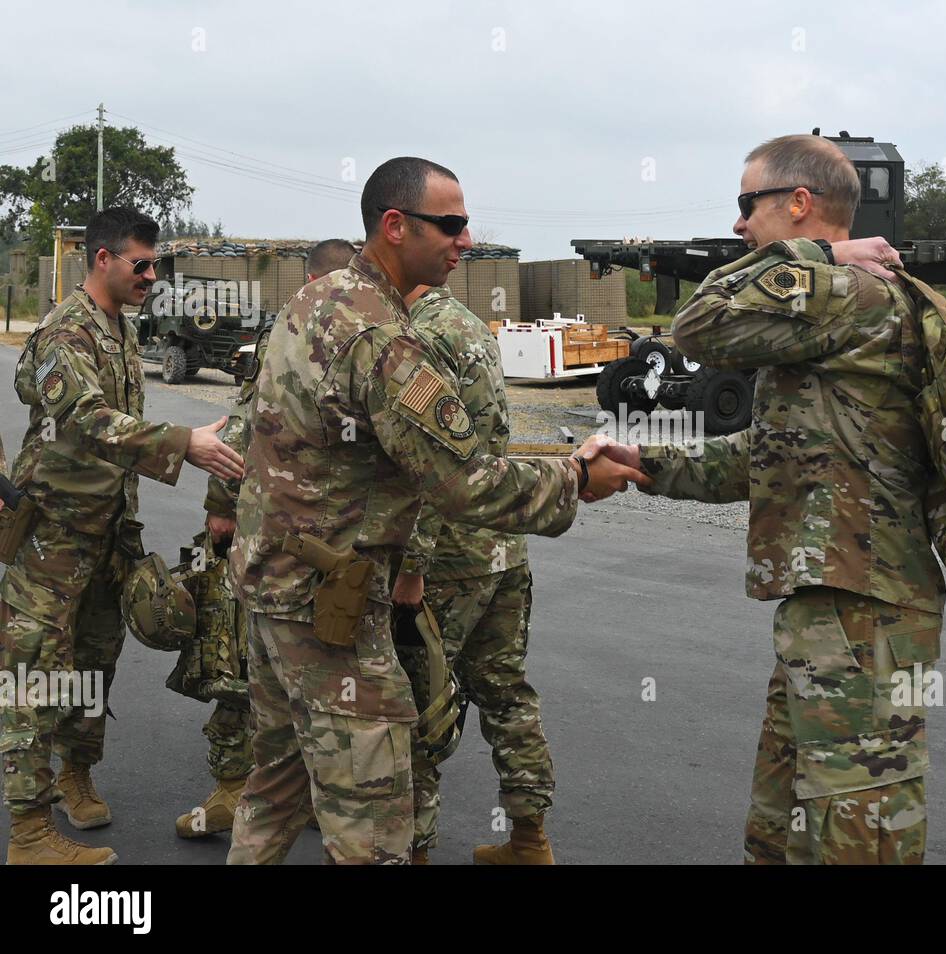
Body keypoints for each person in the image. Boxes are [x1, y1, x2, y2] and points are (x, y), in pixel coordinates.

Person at [225, 157, 646, 864]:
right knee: (375, 826)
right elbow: (463, 482)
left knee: (274, 789)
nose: (467, 239)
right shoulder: (381, 339)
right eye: (450, 225)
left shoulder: (312, 302)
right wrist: (576, 475)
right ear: (395, 226)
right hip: (329, 616)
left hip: (271, 591)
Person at [580, 134, 940, 864]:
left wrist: (812, 257)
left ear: (800, 204)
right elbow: (771, 457)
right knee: (784, 820)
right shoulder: (829, 306)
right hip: (833, 607)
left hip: (859, 607)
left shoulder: (847, 290)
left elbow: (696, 324)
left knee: (854, 825)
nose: (740, 225)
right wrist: (644, 459)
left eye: (748, 204)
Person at [1, 207, 244, 865]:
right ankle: (28, 835)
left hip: (108, 531)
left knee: (94, 663)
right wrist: (181, 443)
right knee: (33, 677)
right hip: (53, 537)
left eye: (156, 264)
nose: (152, 275)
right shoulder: (64, 332)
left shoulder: (117, 328)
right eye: (141, 264)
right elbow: (82, 418)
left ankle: (76, 776)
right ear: (102, 259)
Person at [177, 238, 356, 840]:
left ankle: (238, 790)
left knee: (238, 656)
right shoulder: (379, 333)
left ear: (308, 278)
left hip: (271, 535)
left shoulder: (293, 329)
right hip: (342, 549)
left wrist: (220, 509)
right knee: (332, 667)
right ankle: (311, 791)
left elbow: (250, 425)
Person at [394, 282, 555, 864]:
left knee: (418, 707)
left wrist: (411, 565)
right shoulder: (467, 325)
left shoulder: (420, 334)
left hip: (449, 559)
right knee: (507, 694)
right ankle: (529, 838)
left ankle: (413, 850)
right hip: (503, 545)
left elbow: (431, 466)